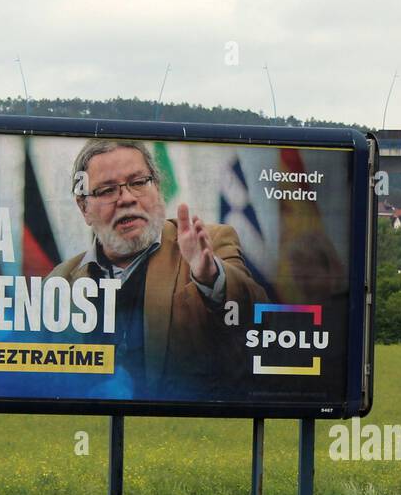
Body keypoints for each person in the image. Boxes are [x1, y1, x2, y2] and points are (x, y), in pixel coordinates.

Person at [48, 139, 268, 398]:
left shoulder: (208, 244)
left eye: (139, 182)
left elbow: (259, 315)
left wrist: (210, 278)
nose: (127, 199)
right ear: (84, 207)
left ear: (159, 188)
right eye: (107, 190)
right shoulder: (60, 280)